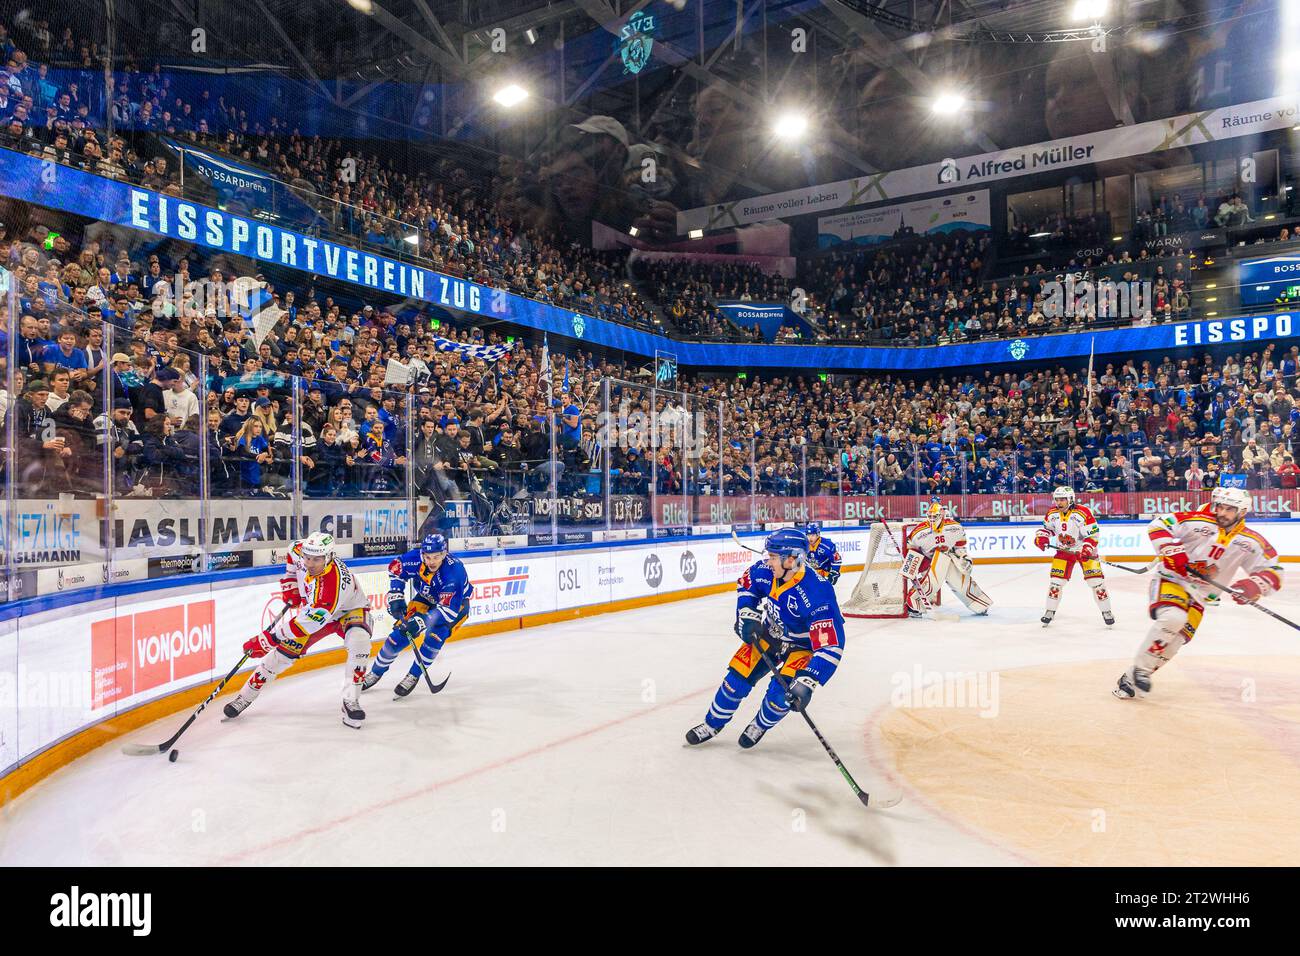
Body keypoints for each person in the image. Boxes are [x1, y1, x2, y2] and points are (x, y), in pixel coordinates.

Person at [1114, 487, 1283, 699]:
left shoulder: (1251, 541)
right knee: (1174, 618)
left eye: (1229, 509)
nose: (1221, 512)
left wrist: (1254, 586)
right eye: (1219, 506)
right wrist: (1170, 549)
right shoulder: (1198, 520)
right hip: (1172, 580)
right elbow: (1159, 524)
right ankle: (1141, 669)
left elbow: (1273, 570)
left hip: (1200, 596)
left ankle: (1131, 677)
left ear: (1242, 512)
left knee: (1176, 642)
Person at [685, 528, 845, 749]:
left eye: (772, 557)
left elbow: (831, 645)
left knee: (780, 698)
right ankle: (712, 724)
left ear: (791, 559)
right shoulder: (766, 571)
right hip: (769, 634)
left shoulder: (818, 593)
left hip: (802, 647)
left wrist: (809, 679)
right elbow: (746, 585)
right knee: (734, 681)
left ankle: (759, 725)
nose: (767, 561)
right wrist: (747, 614)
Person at [224, 532, 374, 728]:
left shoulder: (332, 584)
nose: (310, 563)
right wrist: (291, 585)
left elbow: (307, 623)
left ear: (329, 557)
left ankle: (350, 700)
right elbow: (292, 554)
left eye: (317, 559)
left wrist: (268, 639)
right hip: (315, 612)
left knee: (359, 642)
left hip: (348, 610)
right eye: (307, 557)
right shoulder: (300, 551)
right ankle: (244, 697)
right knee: (280, 657)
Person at [362, 533, 473, 696]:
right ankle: (375, 672)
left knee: (434, 638)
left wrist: (421, 622)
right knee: (399, 635)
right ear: (422, 554)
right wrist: (396, 595)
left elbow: (447, 611)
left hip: (454, 608)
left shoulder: (454, 571)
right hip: (426, 598)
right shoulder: (415, 558)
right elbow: (395, 568)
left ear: (444, 554)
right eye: (427, 557)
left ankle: (413, 675)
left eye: (436, 557)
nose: (431, 561)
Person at [1034, 486, 1114, 627]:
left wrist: (1087, 549)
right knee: (1055, 583)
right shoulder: (1052, 513)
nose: (1059, 502)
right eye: (1057, 499)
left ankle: (1106, 611)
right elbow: (1047, 529)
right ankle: (1050, 611)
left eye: (1063, 499)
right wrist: (1042, 537)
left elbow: (1093, 535)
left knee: (1096, 583)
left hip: (1085, 552)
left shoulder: (1083, 512)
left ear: (1070, 499)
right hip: (1063, 551)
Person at [902, 500, 992, 616]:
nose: (932, 519)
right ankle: (913, 605)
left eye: (935, 516)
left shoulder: (954, 527)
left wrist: (964, 556)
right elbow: (910, 548)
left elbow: (959, 545)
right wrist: (912, 565)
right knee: (931, 583)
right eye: (930, 516)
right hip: (927, 562)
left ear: (942, 515)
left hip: (946, 557)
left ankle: (979, 605)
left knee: (960, 582)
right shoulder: (919, 531)